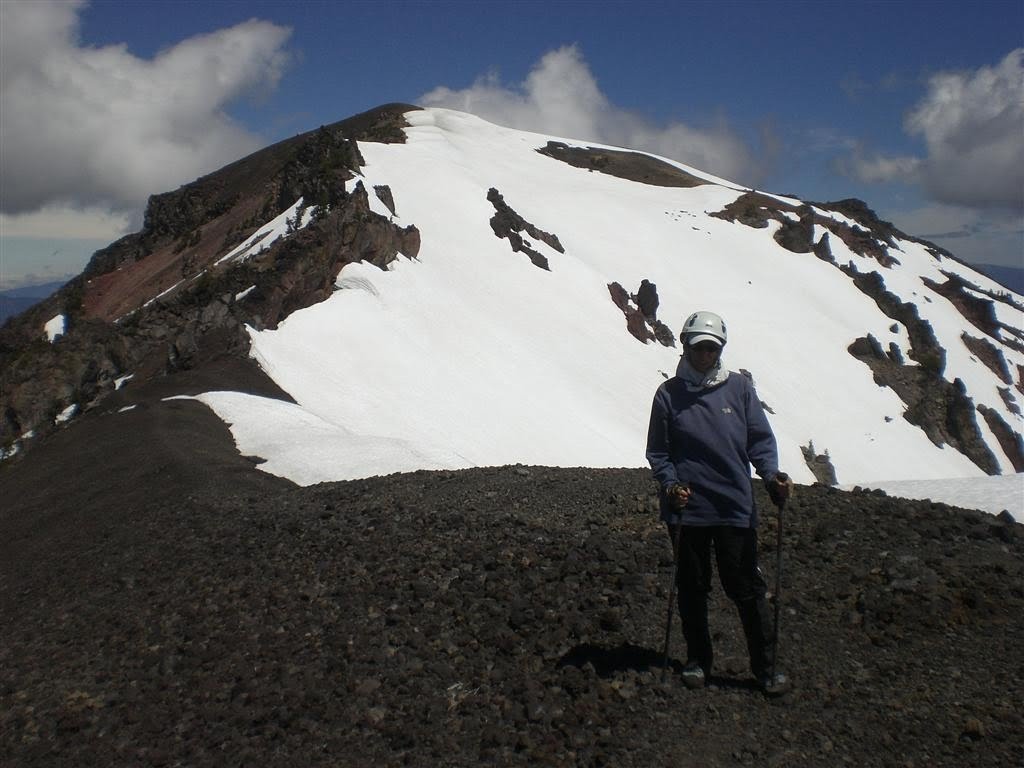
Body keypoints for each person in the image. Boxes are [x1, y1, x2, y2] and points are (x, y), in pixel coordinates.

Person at [645, 310, 793, 694]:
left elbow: (758, 440)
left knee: (745, 586)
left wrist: (771, 474)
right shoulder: (669, 395)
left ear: (720, 349)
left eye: (711, 348)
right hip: (688, 508)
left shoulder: (739, 389)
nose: (704, 355)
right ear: (686, 348)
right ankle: (698, 660)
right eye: (698, 348)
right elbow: (658, 452)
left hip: (733, 506)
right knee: (693, 586)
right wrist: (670, 484)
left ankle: (765, 667)